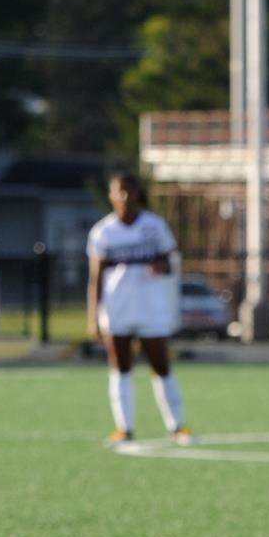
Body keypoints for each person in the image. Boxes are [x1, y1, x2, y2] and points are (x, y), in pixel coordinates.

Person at [85, 172, 193, 447]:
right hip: (117, 309)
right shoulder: (103, 232)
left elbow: (171, 262)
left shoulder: (154, 226)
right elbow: (96, 277)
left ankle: (177, 425)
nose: (123, 197)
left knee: (161, 366)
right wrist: (93, 318)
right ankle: (125, 427)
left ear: (136, 193)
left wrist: (162, 267)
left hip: (149, 308)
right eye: (117, 192)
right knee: (120, 368)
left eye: (128, 191)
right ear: (110, 196)